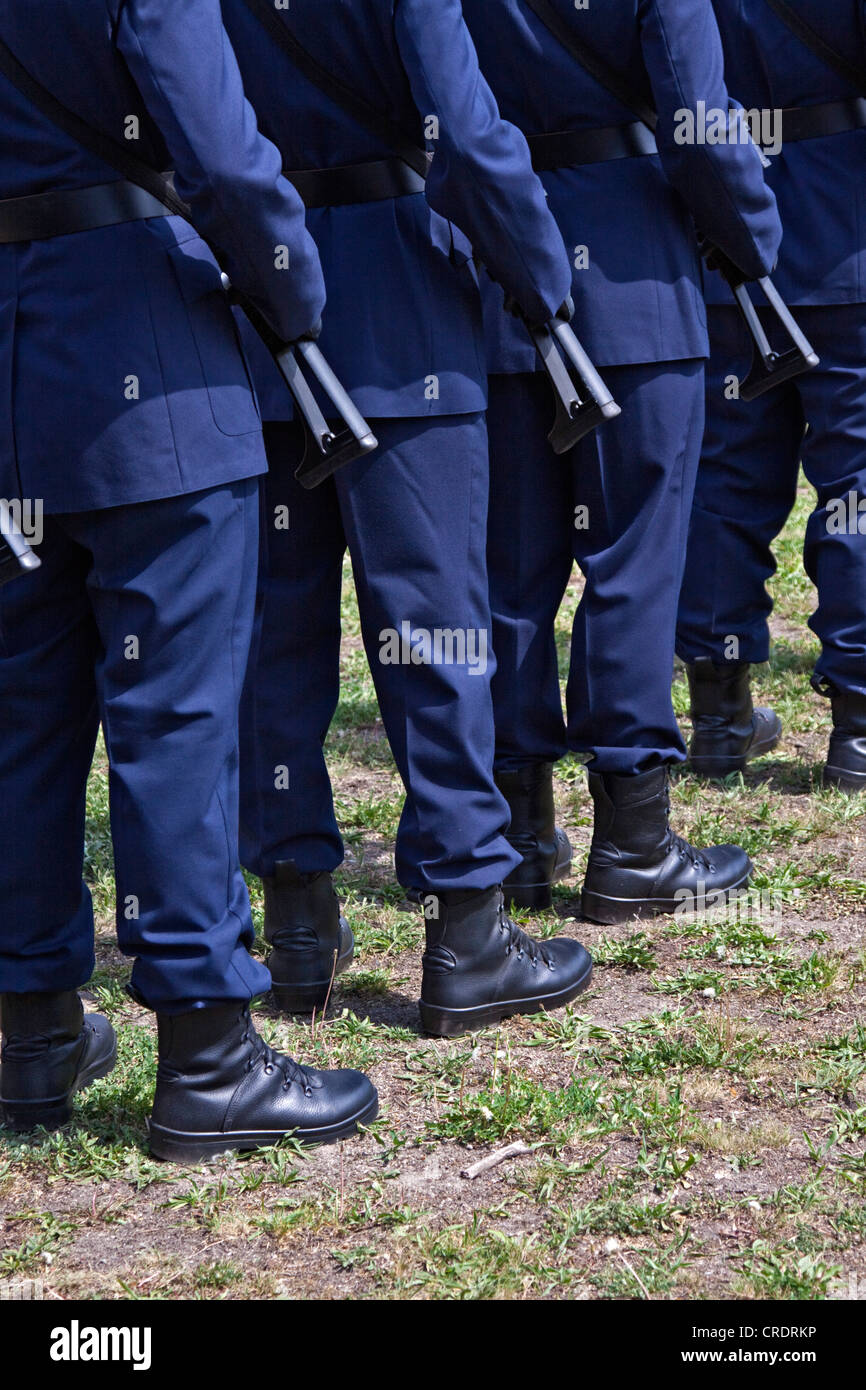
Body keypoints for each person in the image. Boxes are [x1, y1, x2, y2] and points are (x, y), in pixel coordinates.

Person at [0, 0, 377, 1162]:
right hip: (149, 370)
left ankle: (34, 1036)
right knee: (178, 716)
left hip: (12, 379)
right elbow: (225, 157)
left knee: (21, 720)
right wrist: (298, 301)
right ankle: (209, 1054)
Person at [220, 0, 593, 1037]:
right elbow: (467, 141)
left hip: (261, 326)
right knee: (433, 632)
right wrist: (543, 285)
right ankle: (465, 930)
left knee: (274, 643)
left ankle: (297, 927)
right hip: (401, 318)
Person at [460, 0, 782, 924]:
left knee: (509, 578)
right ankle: (634, 842)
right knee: (633, 564)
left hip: (501, 282)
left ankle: (521, 837)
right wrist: (754, 242)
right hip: (637, 277)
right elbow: (702, 124)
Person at [676, 0, 866, 793]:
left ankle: (719, 721)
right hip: (847, 231)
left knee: (723, 482)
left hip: (725, 237)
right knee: (857, 483)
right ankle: (858, 728)